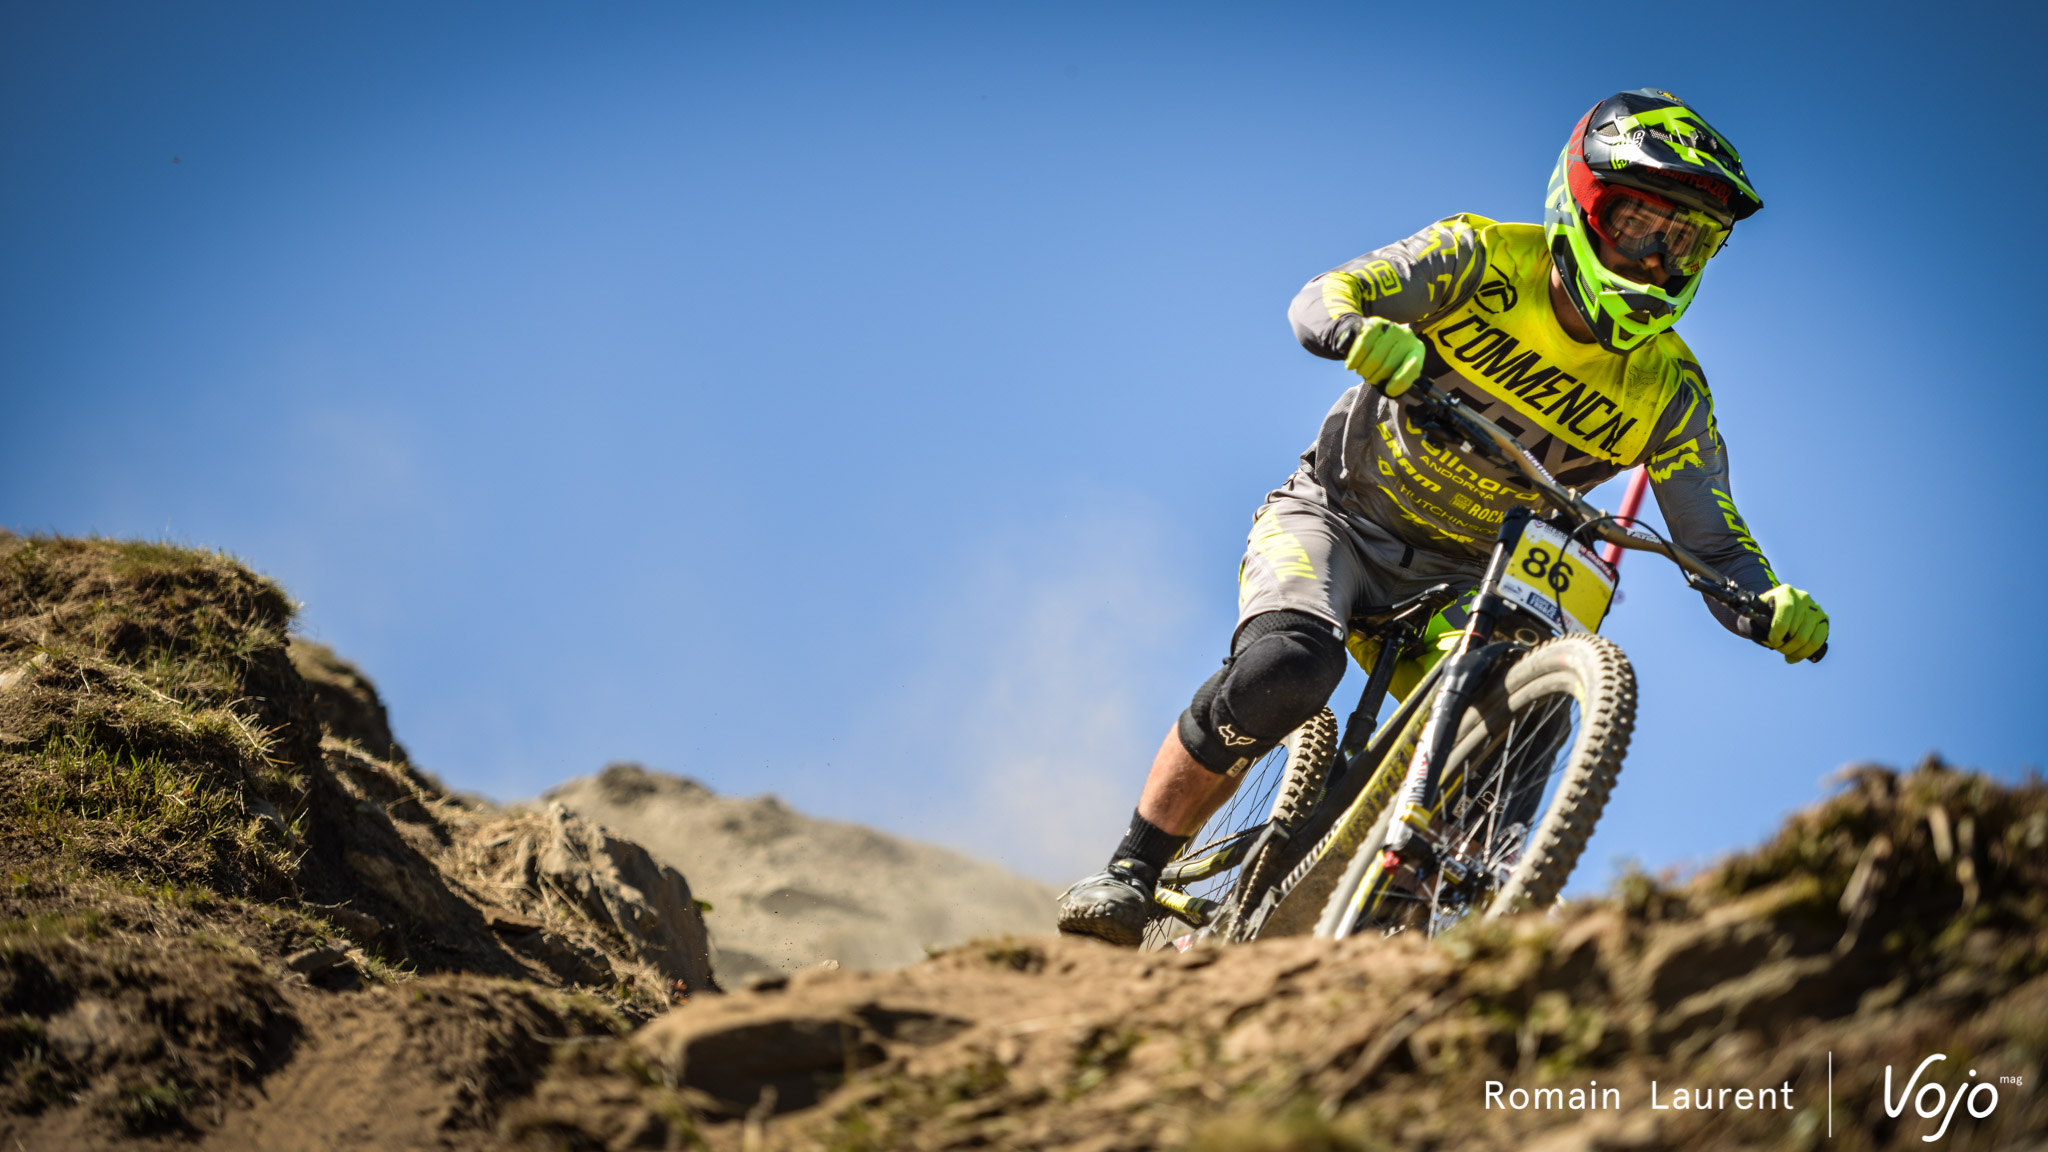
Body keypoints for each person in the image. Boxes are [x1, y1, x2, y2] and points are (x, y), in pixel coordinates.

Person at [1055, 89, 1831, 947]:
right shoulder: (1479, 258)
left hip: (1472, 577)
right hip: (1338, 521)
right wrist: (1358, 332)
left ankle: (1429, 917)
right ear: (1580, 204)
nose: (1656, 258)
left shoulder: (1671, 391)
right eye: (1642, 223)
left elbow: (1712, 541)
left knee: (1526, 715)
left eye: (1685, 242)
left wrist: (1768, 603)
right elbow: (1324, 295)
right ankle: (1132, 866)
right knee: (1290, 665)